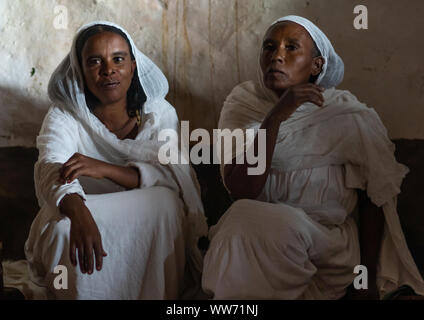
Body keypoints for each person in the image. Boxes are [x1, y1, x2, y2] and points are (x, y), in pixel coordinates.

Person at [202, 15, 424, 300]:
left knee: (249, 221)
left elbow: (374, 199)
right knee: (243, 218)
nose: (277, 56)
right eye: (269, 47)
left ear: (316, 65)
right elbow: (242, 189)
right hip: (257, 237)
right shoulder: (242, 104)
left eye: (291, 47)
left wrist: (365, 278)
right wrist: (275, 117)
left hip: (326, 246)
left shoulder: (346, 115)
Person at [24, 21, 208, 300]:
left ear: (133, 66)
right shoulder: (65, 115)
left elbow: (172, 177)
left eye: (118, 59)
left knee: (166, 202)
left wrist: (104, 169)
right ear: (81, 71)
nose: (108, 70)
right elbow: (51, 167)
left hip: (148, 214)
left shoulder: (157, 113)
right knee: (63, 228)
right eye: (95, 62)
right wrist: (80, 213)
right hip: (82, 210)